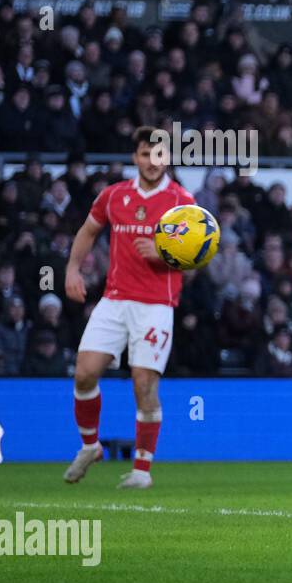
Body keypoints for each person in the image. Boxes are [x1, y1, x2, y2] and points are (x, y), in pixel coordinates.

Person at [62, 126, 196, 490]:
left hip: (156, 305)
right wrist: (73, 268)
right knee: (84, 374)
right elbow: (88, 231)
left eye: (158, 155)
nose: (151, 162)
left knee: (143, 383)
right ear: (135, 158)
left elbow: (199, 258)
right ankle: (90, 447)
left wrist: (165, 253)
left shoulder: (182, 202)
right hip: (115, 300)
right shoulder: (113, 195)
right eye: (143, 155)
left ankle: (141, 470)